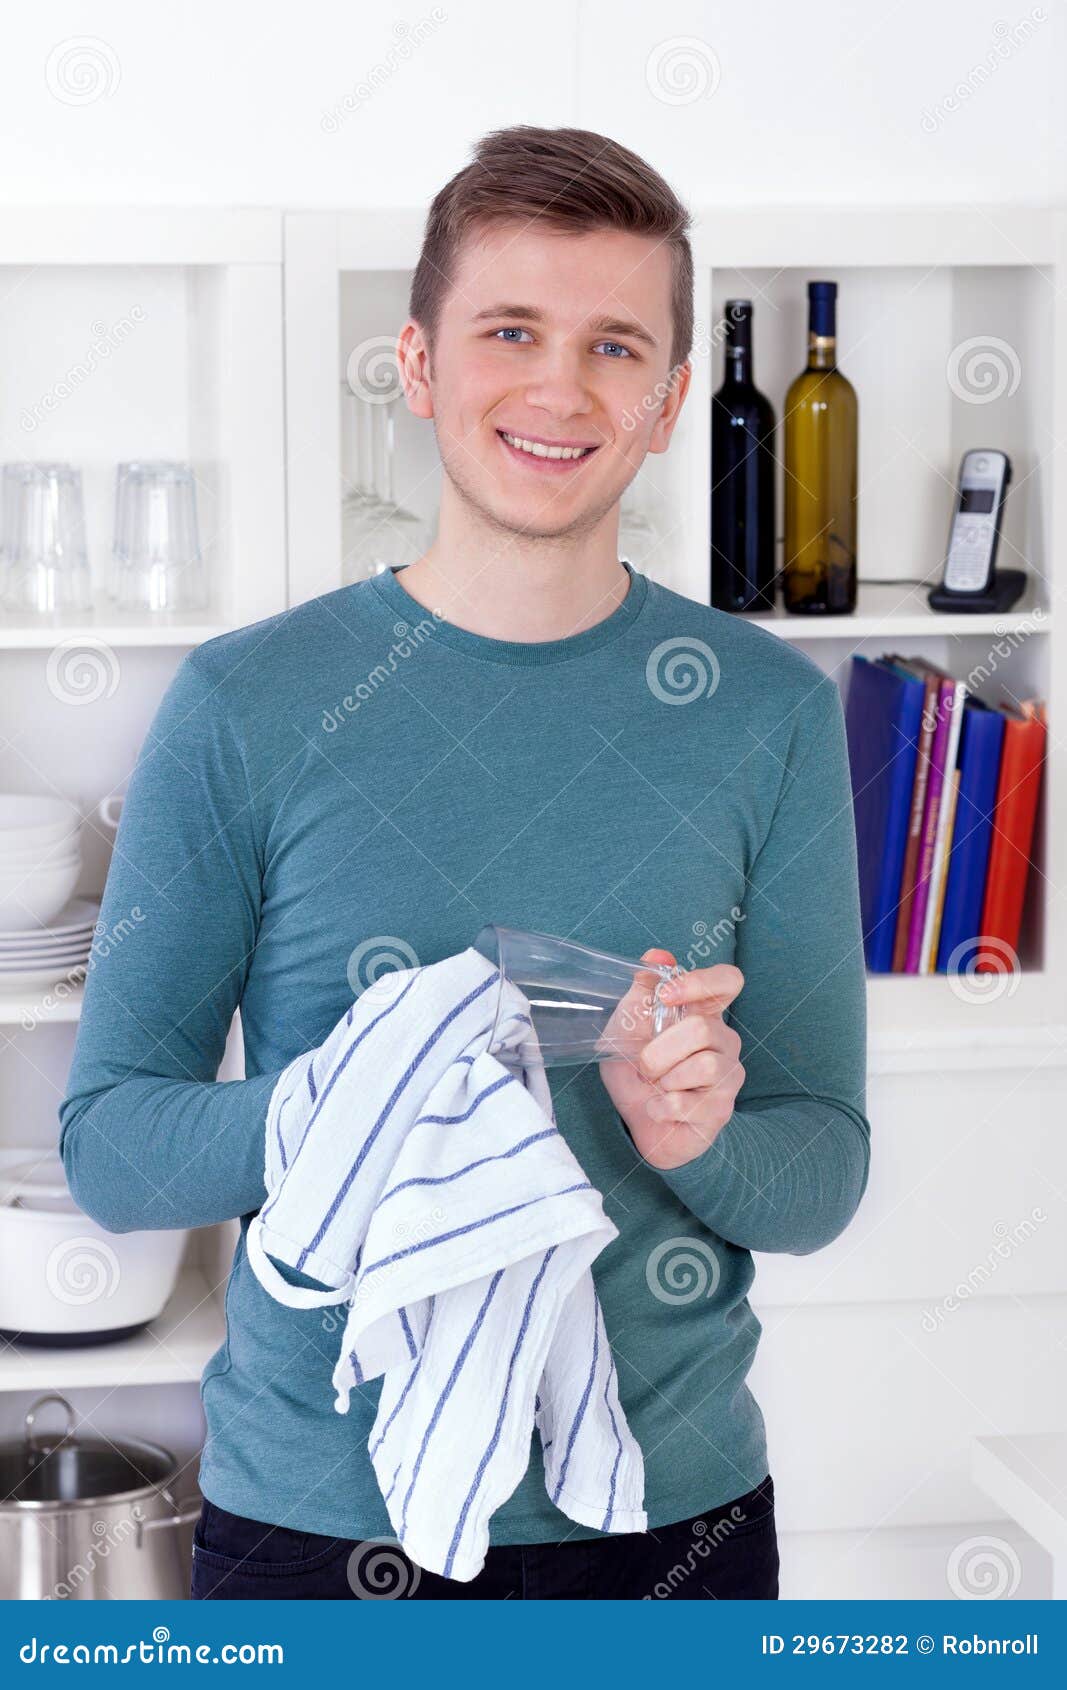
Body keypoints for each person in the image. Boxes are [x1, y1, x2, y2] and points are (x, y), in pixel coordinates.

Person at [60, 124, 870, 1601]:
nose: (560, 388)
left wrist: (697, 1136)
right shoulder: (245, 704)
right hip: (320, 1528)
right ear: (418, 366)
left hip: (671, 1530)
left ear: (669, 402)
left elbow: (819, 1173)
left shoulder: (768, 714)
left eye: (615, 346)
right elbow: (113, 1150)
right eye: (510, 330)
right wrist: (357, 1097)